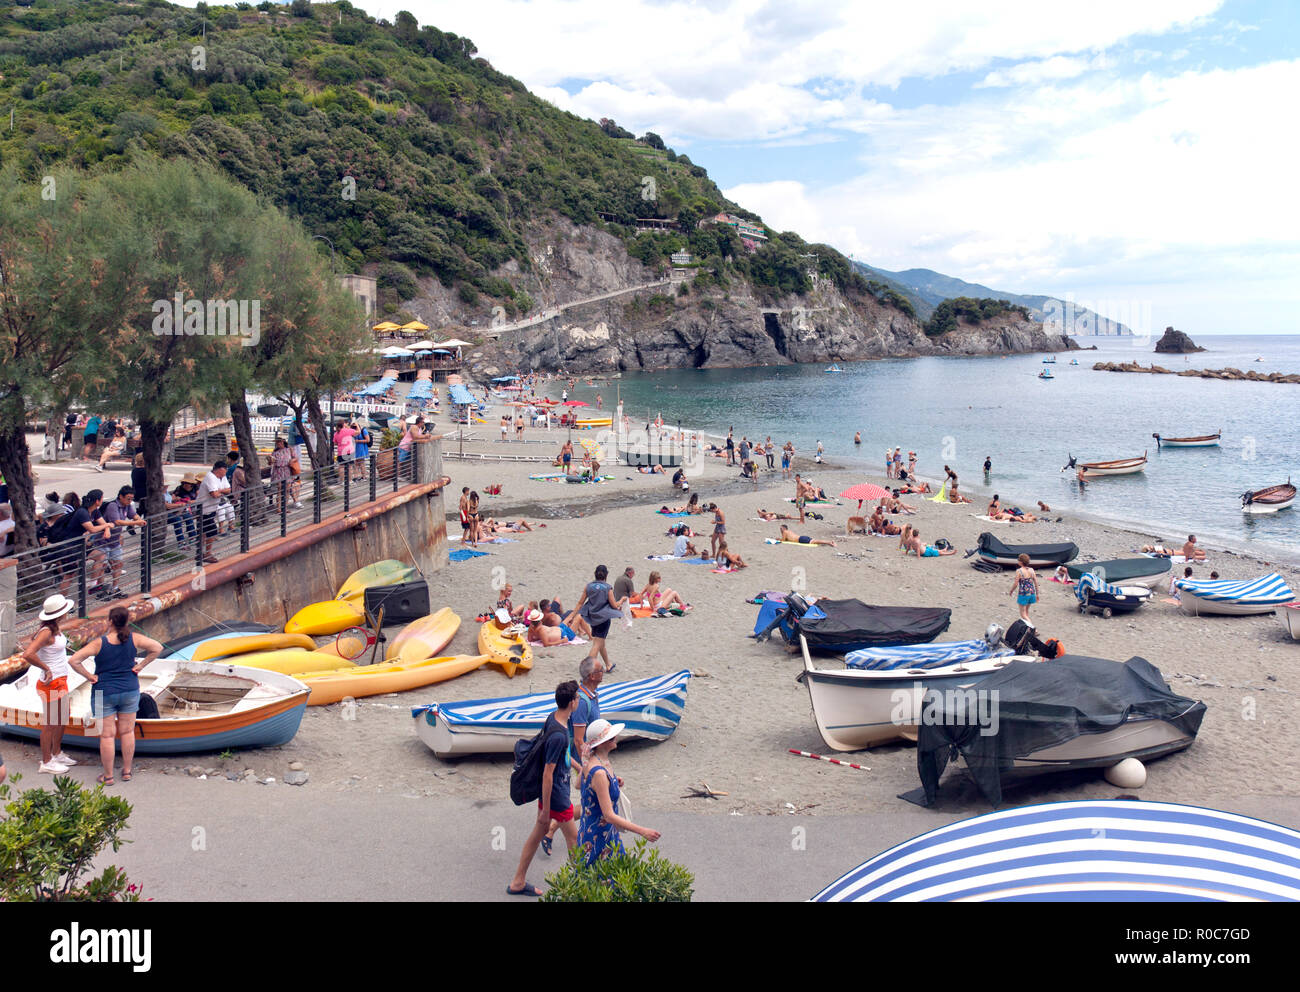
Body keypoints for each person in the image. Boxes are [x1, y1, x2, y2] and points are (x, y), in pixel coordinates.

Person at [67, 606, 164, 786]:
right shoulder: (134, 638)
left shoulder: (99, 643)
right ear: (127, 621)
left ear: (110, 621)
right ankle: (126, 771)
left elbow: (74, 660)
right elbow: (157, 648)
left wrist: (89, 676)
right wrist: (140, 666)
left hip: (103, 691)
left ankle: (108, 776)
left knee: (107, 736)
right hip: (129, 689)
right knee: (127, 732)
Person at [507, 680, 581, 897]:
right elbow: (548, 773)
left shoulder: (555, 718)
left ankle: (518, 881)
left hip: (552, 793)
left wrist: (578, 767)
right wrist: (546, 810)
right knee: (573, 839)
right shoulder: (559, 735)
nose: (579, 700)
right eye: (577, 698)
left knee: (537, 834)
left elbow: (561, 757)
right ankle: (581, 888)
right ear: (572, 703)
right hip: (556, 795)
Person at [541, 656, 604, 855]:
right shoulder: (582, 702)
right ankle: (553, 831)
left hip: (590, 757)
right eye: (601, 670)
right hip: (583, 758)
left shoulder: (592, 696)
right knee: (592, 800)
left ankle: (550, 830)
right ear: (592, 676)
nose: (604, 672)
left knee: (591, 799)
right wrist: (586, 766)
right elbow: (578, 740)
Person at [576, 719, 661, 864]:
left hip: (592, 831)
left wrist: (612, 782)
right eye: (612, 737)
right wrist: (643, 831)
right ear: (602, 743)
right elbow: (608, 816)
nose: (616, 738)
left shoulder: (594, 760)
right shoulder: (599, 773)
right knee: (605, 875)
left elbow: (579, 784)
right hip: (600, 837)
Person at [22, 594, 79, 774]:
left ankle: (56, 752)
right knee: (51, 723)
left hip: (60, 680)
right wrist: (46, 668)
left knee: (62, 716)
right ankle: (46, 761)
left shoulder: (53, 629)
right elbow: (28, 654)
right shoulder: (46, 632)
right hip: (52, 682)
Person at [576, 565, 629, 675]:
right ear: (606, 575)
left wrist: (572, 615)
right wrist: (622, 600)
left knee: (600, 643)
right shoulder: (607, 588)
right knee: (597, 644)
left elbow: (581, 602)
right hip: (604, 619)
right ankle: (588, 669)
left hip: (593, 618)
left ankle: (608, 664)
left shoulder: (589, 586)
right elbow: (614, 605)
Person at [99, 486, 143, 596]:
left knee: (118, 564)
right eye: (128, 498)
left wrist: (139, 519)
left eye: (132, 499)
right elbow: (117, 522)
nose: (130, 501)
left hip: (115, 541)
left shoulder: (127, 505)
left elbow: (133, 515)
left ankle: (115, 588)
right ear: (121, 497)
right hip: (103, 541)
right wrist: (135, 523)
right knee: (102, 566)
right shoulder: (113, 506)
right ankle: (101, 590)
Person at [197, 460, 229, 563]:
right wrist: (221, 492)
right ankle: (207, 554)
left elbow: (228, 489)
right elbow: (214, 494)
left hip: (212, 508)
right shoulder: (210, 477)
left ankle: (200, 553)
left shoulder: (222, 477)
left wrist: (220, 491)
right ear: (219, 470)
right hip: (204, 509)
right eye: (223, 472)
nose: (224, 474)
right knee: (212, 531)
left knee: (204, 531)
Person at [268, 438, 302, 509]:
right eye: (277, 442)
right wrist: (270, 461)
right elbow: (270, 463)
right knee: (280, 490)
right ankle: (279, 508)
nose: (278, 443)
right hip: (278, 471)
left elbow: (296, 458)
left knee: (287, 490)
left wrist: (292, 461)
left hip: (287, 470)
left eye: (279, 442)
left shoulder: (289, 449)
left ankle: (285, 507)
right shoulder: (275, 452)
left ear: (283, 442)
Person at [1010, 553, 1039, 622]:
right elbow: (1036, 582)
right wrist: (1037, 594)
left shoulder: (1019, 571)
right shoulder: (1031, 570)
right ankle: (1026, 627)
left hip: (1023, 593)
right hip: (1032, 592)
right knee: (1026, 612)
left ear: (1021, 562)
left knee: (1023, 614)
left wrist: (1011, 591)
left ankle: (1032, 627)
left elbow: (1016, 583)